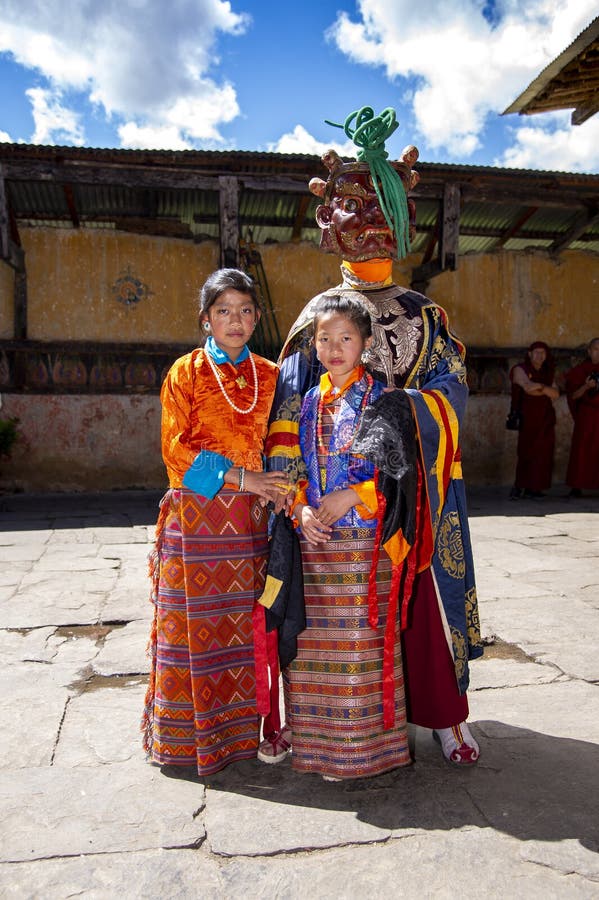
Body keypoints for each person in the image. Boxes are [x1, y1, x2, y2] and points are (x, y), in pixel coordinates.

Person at [262, 105, 484, 767]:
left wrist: (399, 411)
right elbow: (288, 405)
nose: (361, 221)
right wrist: (295, 493)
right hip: (330, 493)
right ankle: (321, 722)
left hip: (411, 483)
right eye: (347, 206)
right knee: (334, 617)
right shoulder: (317, 317)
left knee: (421, 607)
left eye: (374, 205)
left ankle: (445, 718)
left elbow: (452, 388)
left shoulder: (425, 313)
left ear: (400, 217)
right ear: (327, 221)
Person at [141, 268, 287, 776]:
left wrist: (281, 490)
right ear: (206, 319)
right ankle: (191, 741)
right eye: (224, 310)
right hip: (196, 523)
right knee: (194, 632)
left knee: (248, 629)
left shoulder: (271, 375)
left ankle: (252, 734)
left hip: (253, 527)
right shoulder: (186, 372)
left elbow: (286, 443)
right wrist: (243, 480)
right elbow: (176, 455)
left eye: (245, 310)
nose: (236, 320)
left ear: (257, 317)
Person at [285, 294, 412, 779]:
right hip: (313, 542)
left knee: (360, 646)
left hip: (363, 544)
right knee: (314, 647)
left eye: (346, 338)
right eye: (325, 338)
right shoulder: (306, 401)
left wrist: (353, 495)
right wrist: (300, 508)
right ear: (312, 344)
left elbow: (395, 472)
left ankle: (364, 753)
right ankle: (316, 750)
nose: (334, 348)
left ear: (364, 344)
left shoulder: (382, 398)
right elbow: (292, 465)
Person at [509, 342, 559, 500]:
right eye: (536, 352)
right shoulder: (520, 369)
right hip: (527, 418)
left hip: (545, 419)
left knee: (544, 454)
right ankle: (519, 487)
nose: (540, 356)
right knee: (526, 452)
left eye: (543, 353)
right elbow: (527, 388)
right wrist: (544, 389)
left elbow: (556, 394)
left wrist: (541, 388)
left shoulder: (547, 372)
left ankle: (535, 488)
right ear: (530, 354)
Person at [564, 337, 599, 498]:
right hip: (587, 415)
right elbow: (574, 395)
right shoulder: (581, 370)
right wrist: (586, 386)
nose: (598, 353)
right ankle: (576, 486)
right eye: (596, 349)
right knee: (582, 450)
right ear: (589, 351)